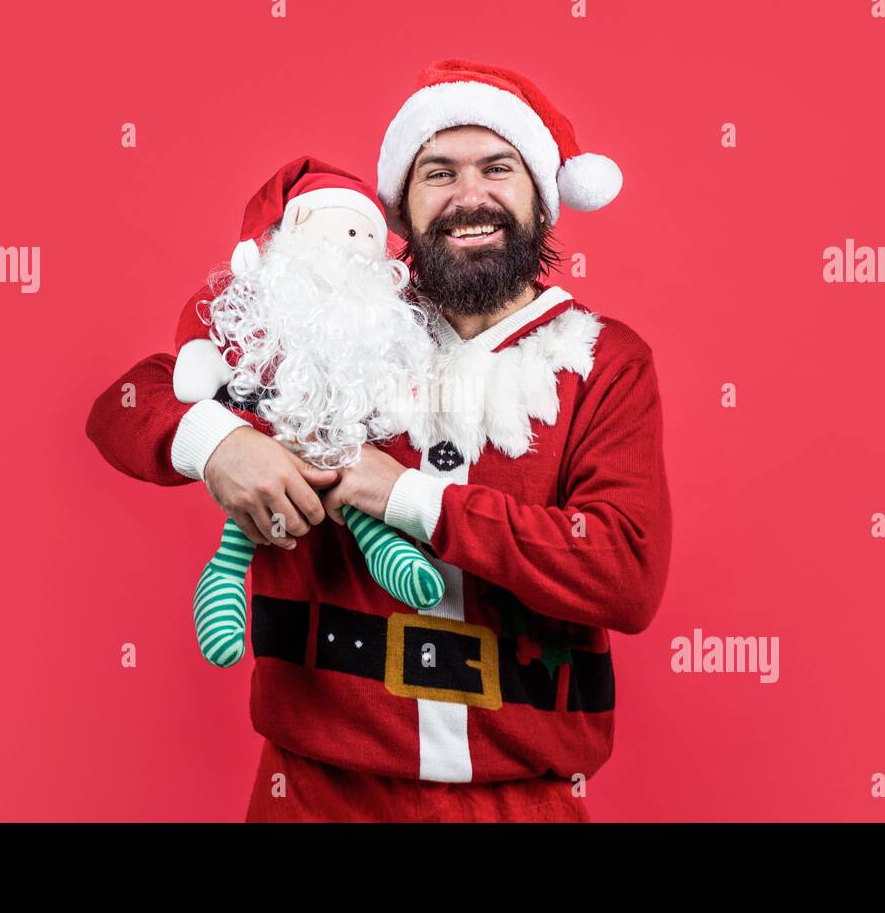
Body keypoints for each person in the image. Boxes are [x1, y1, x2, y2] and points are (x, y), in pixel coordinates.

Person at [85, 58, 673, 822]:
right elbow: (123, 407)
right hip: (316, 799)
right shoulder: (333, 323)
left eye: (498, 168)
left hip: (522, 805)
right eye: (439, 173)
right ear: (401, 206)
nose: (470, 196)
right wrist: (220, 443)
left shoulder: (603, 360)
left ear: (541, 198)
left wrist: (402, 496)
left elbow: (624, 573)